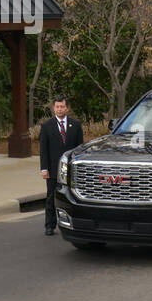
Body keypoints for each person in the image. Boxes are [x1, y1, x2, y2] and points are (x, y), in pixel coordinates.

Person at [39, 95, 84, 236]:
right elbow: (43, 150)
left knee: (72, 196)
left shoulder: (75, 125)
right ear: (54, 108)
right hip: (53, 169)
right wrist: (44, 168)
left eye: (62, 107)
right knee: (51, 197)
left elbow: (80, 148)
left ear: (67, 108)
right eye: (57, 107)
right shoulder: (46, 126)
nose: (60, 109)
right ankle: (49, 225)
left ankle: (74, 223)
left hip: (70, 169)